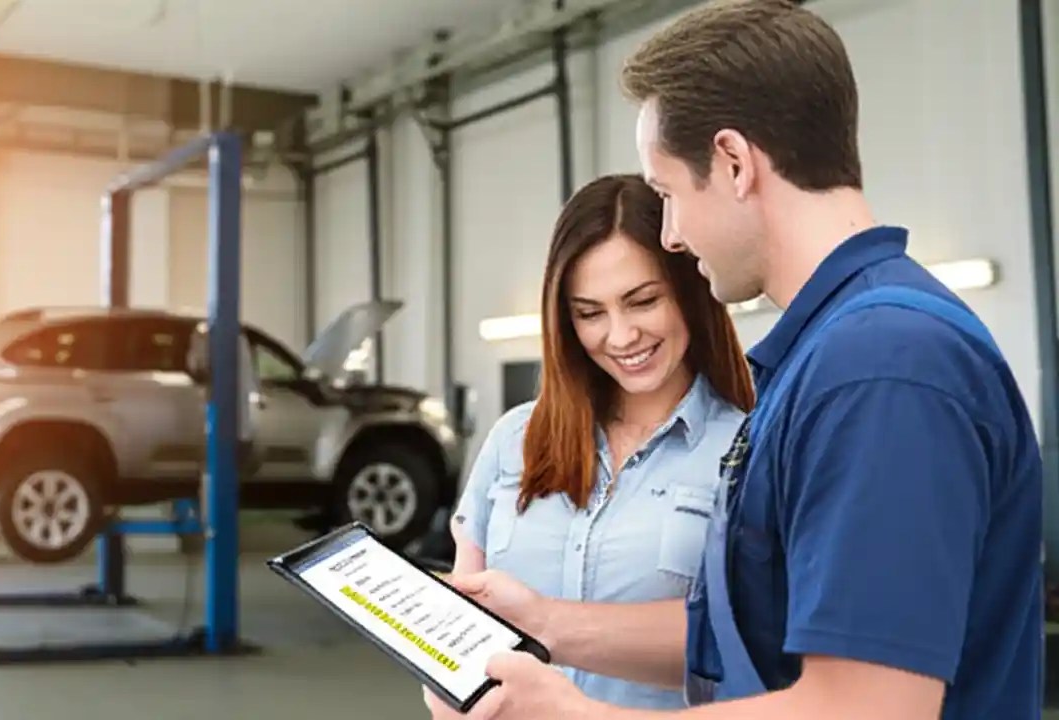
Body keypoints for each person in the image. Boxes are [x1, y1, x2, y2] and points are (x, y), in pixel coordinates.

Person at [423, 1, 1044, 719]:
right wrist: (546, 624)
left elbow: (866, 708)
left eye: (667, 194)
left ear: (734, 162)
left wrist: (576, 716)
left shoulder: (880, 366)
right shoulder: (828, 356)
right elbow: (745, 642)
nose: (673, 234)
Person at [448, 173, 755, 709]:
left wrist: (548, 623)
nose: (621, 335)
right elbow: (454, 639)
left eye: (643, 301)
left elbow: (750, 644)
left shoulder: (747, 450)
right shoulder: (514, 439)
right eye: (590, 313)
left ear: (689, 291)